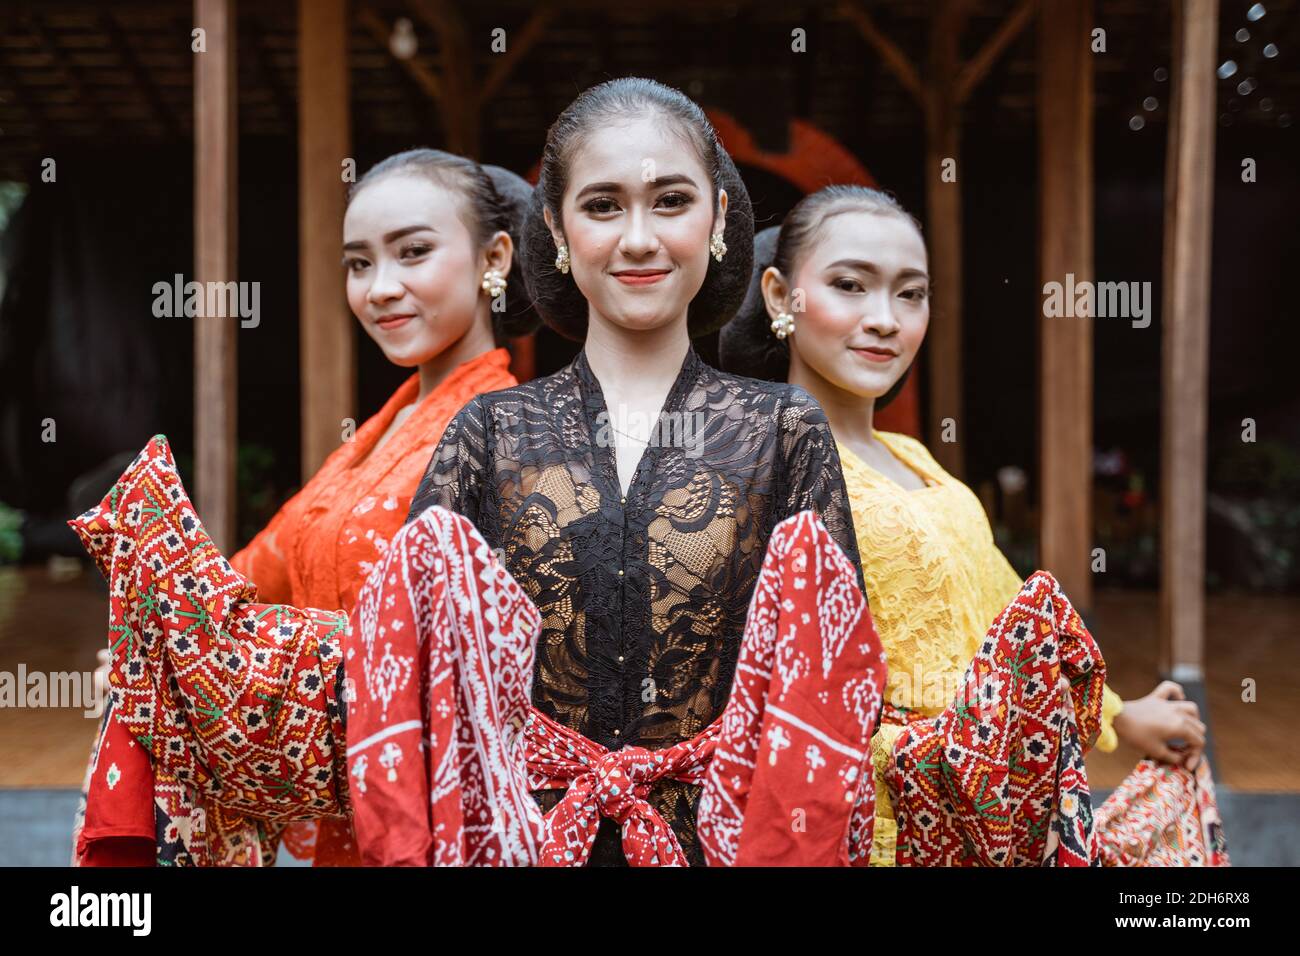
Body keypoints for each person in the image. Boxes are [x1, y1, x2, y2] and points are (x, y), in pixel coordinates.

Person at [68, 79, 887, 868]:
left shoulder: (785, 429)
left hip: (722, 845)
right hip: (514, 844)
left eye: (670, 201)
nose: (639, 237)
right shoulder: (489, 433)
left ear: (716, 220)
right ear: (560, 235)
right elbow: (413, 677)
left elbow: (829, 688)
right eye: (602, 206)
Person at [719, 186, 1227, 866]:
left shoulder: (916, 459)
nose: (885, 319)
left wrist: (1121, 713)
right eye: (850, 285)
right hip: (866, 824)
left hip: (983, 815)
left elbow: (1001, 607)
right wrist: (915, 750)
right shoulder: (758, 466)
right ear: (782, 296)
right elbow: (736, 684)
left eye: (911, 294)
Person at [71, 149, 534, 867]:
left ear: (493, 258)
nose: (381, 288)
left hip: (443, 814)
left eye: (413, 252)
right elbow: (253, 576)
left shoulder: (516, 433)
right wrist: (158, 649)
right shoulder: (368, 442)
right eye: (358, 264)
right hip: (347, 817)